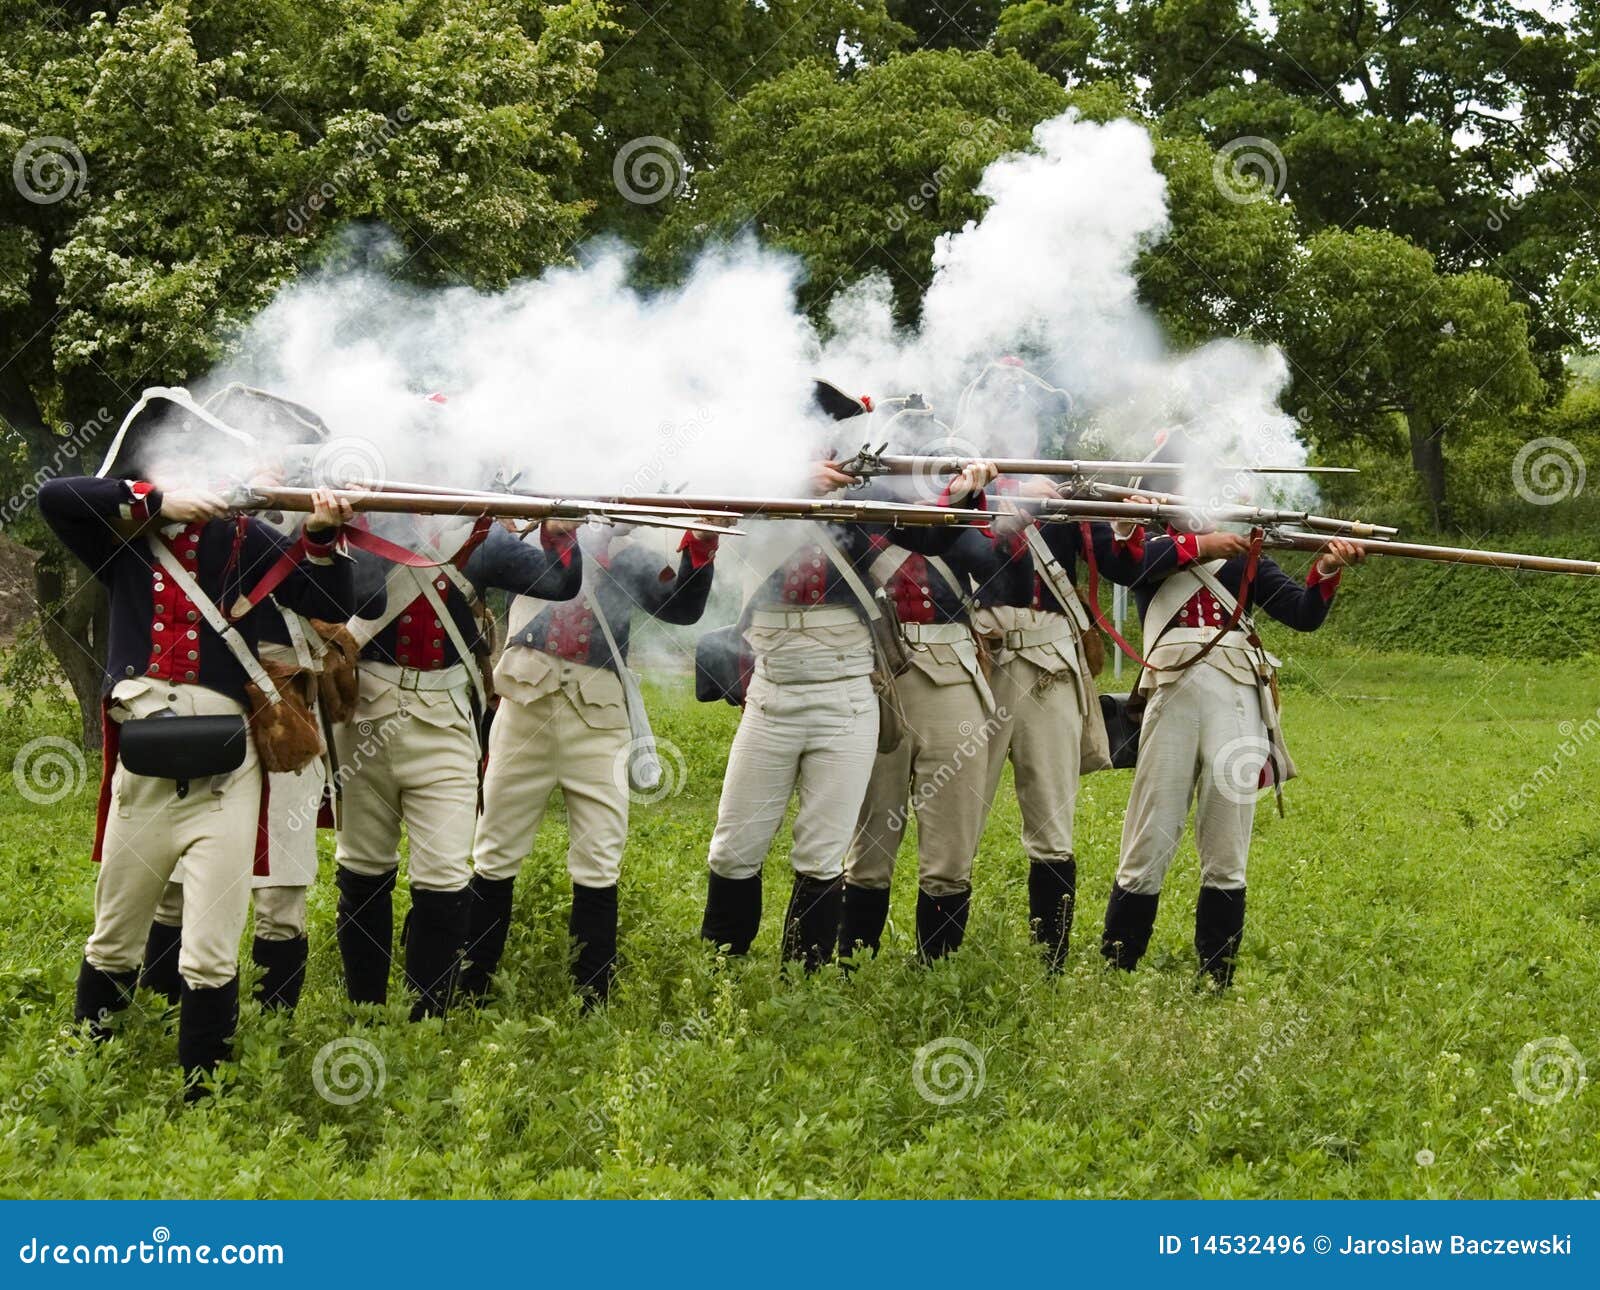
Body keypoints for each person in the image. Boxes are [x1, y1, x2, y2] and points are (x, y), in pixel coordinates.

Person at [41, 454, 353, 1098]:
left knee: (211, 949)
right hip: (146, 761)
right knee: (114, 938)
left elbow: (331, 601)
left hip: (226, 768)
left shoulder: (248, 539)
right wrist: (158, 501)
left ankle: (204, 1097)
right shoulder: (120, 530)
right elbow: (55, 495)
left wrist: (321, 534)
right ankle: (82, 1082)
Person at [699, 382, 991, 969]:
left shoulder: (864, 488)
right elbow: (719, 520)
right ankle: (721, 972)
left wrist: (962, 496)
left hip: (848, 686)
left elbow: (927, 531)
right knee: (735, 848)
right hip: (773, 685)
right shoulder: (750, 486)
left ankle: (805, 979)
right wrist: (790, 487)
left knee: (823, 852)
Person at [332, 503, 582, 1020]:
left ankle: (429, 1019)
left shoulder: (482, 537)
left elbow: (559, 584)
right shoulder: (366, 528)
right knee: (362, 867)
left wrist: (559, 535)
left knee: (445, 877)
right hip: (366, 713)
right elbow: (342, 594)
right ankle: (367, 1011)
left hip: (444, 717)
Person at [1100, 516, 1364, 987]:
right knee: (1151, 829)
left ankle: (1216, 972)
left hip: (1239, 698)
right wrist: (1202, 543)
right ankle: (1119, 962)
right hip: (1171, 692)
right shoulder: (1144, 548)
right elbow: (1125, 566)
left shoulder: (1245, 555)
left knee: (1228, 837)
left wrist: (1325, 566)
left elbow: (1302, 614)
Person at [464, 522, 720, 1005]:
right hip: (524, 705)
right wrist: (553, 530)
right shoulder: (521, 539)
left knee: (599, 862)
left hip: (599, 716)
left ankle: (591, 998)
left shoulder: (628, 556)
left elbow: (681, 608)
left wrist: (700, 547)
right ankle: (472, 987)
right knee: (494, 852)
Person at [968, 478, 1138, 970]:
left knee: (1052, 823)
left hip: (1051, 663)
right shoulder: (964, 488)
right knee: (958, 820)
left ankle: (1052, 962)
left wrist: (1126, 520)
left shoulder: (1067, 494)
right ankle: (937, 954)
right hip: (982, 658)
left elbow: (1124, 565)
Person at [834, 505, 1003, 964]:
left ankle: (938, 968)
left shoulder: (959, 508)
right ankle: (854, 968)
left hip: (951, 671)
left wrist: (971, 503)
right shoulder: (853, 506)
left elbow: (995, 565)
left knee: (951, 841)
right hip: (872, 673)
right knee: (869, 843)